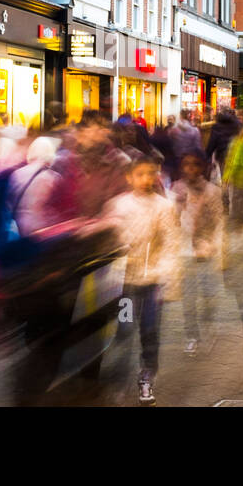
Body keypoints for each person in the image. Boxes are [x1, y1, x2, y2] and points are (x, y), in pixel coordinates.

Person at [98, 158, 183, 404]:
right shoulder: (117, 206)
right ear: (129, 177)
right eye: (140, 174)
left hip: (152, 282)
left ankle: (146, 377)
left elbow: (171, 244)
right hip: (124, 283)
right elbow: (108, 240)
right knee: (123, 330)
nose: (146, 179)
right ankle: (118, 379)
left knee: (150, 330)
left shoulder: (163, 207)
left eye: (150, 174)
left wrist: (168, 278)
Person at [170, 153, 226, 356]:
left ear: (202, 168)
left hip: (205, 250)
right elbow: (171, 220)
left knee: (209, 293)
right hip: (184, 251)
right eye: (186, 165)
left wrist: (213, 245)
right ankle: (192, 336)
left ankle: (209, 324)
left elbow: (218, 220)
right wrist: (179, 205)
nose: (190, 169)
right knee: (188, 297)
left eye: (195, 165)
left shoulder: (212, 191)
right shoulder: (176, 189)